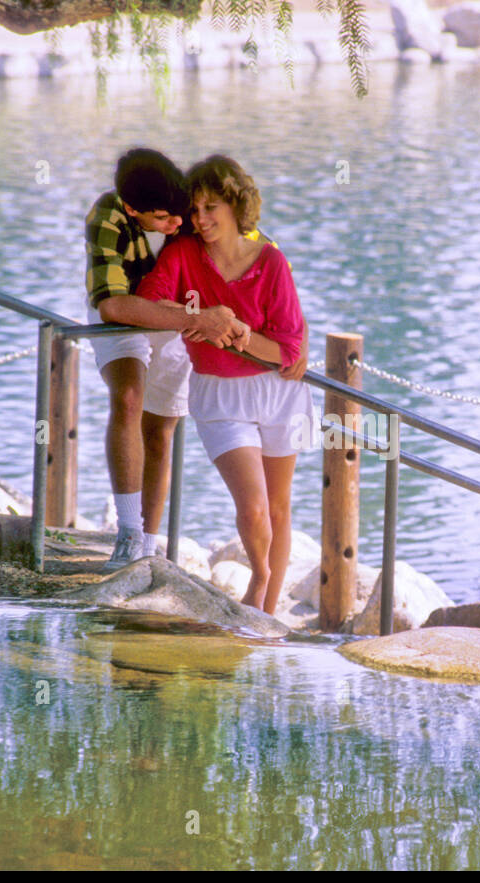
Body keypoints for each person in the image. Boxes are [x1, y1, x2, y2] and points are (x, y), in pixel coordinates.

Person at [85, 148, 308, 571]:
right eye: (166, 220)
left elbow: (263, 249)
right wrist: (199, 318)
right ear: (134, 210)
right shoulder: (109, 215)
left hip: (184, 317)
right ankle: (129, 534)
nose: (182, 224)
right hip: (125, 316)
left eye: (183, 215)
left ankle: (149, 543)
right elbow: (114, 307)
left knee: (161, 427)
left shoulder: (188, 209)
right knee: (129, 397)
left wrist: (299, 338)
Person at [134, 155, 315, 614]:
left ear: (237, 205)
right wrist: (195, 319)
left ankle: (265, 616)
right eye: (194, 211)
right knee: (253, 509)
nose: (200, 219)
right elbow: (147, 302)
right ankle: (261, 577)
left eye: (210, 207)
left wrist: (242, 336)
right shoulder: (182, 255)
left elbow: (290, 349)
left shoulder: (271, 262)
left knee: (278, 509)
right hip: (219, 394)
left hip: (279, 394)